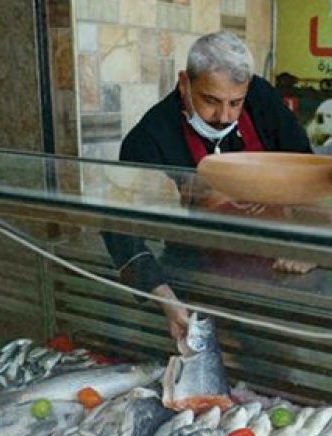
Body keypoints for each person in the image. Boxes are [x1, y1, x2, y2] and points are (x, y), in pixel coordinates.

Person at [102, 31, 311, 341]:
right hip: (195, 282)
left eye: (235, 103)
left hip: (276, 275)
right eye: (211, 101)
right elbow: (120, 231)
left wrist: (308, 245)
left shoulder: (261, 100)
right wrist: (165, 299)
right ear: (185, 83)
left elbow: (305, 169)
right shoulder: (150, 138)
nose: (224, 116)